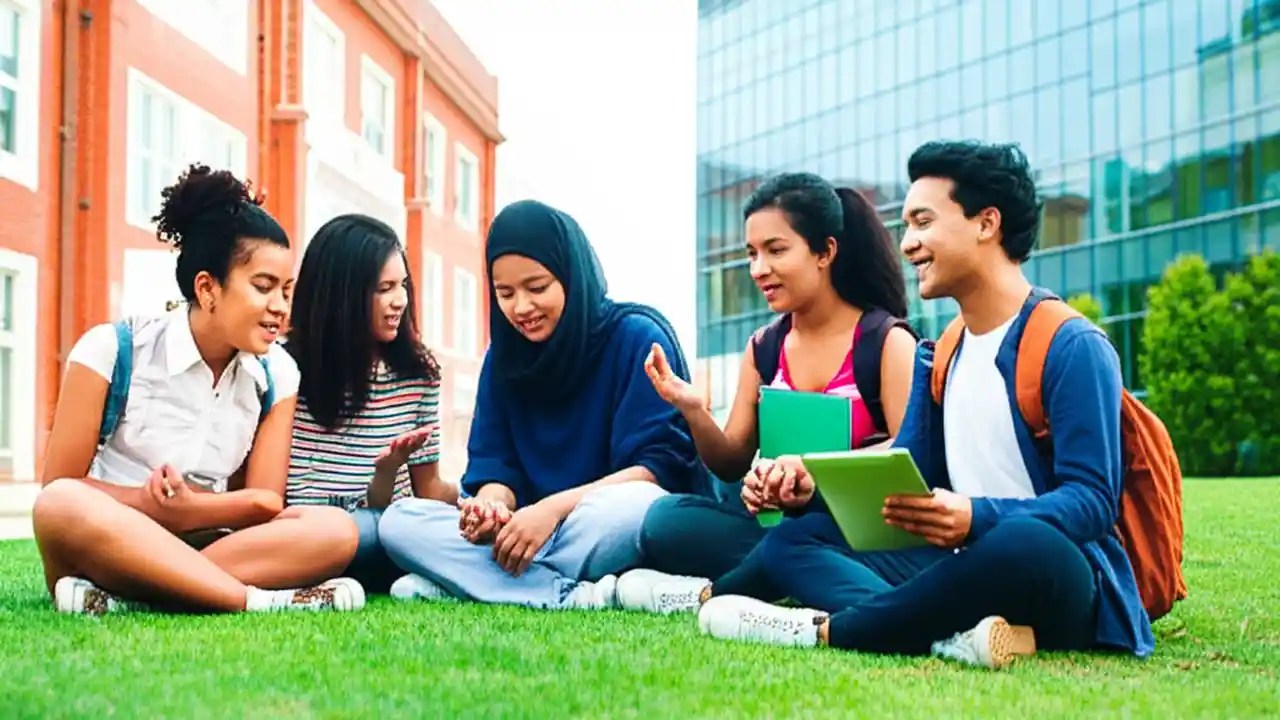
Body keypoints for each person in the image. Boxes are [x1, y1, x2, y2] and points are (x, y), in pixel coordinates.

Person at [697, 140, 1155, 670]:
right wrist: (808, 488)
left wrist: (976, 517)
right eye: (907, 227)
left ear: (987, 223)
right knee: (796, 539)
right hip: (954, 561)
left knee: (1024, 540)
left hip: (1056, 573)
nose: (908, 244)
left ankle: (832, 629)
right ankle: (951, 634)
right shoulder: (941, 355)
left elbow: (1093, 501)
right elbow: (904, 476)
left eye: (922, 222)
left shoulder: (1071, 346)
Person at [32, 164, 364, 615]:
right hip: (110, 539)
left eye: (287, 291)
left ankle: (141, 599)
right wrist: (152, 505)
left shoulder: (278, 372)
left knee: (336, 529)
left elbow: (265, 501)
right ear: (207, 288)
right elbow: (61, 483)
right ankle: (256, 601)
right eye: (263, 287)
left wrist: (191, 511)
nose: (280, 308)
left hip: (212, 542)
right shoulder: (112, 349)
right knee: (59, 505)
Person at [377, 199, 703, 609]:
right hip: (523, 532)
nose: (522, 308)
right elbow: (496, 470)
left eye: (537, 287)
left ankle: (476, 583)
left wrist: (549, 511)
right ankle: (580, 595)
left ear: (570, 275)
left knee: (634, 507)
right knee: (399, 522)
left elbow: (658, 471)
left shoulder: (636, 336)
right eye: (505, 293)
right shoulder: (503, 357)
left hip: (595, 526)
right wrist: (491, 507)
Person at [616, 173, 916, 615]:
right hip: (773, 529)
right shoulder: (765, 348)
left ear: (825, 252)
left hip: (859, 535)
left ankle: (734, 590)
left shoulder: (886, 342)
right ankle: (798, 580)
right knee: (665, 521)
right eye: (751, 254)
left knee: (795, 545)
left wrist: (811, 471)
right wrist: (693, 410)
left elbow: (909, 453)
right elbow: (732, 461)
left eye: (776, 250)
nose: (758, 269)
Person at [283, 214, 456, 593]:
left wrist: (480, 500)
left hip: (387, 534)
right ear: (342, 294)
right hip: (302, 536)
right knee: (350, 530)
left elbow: (426, 493)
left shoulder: (419, 374)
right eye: (384, 288)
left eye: (403, 286)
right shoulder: (283, 369)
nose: (400, 301)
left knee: (393, 527)